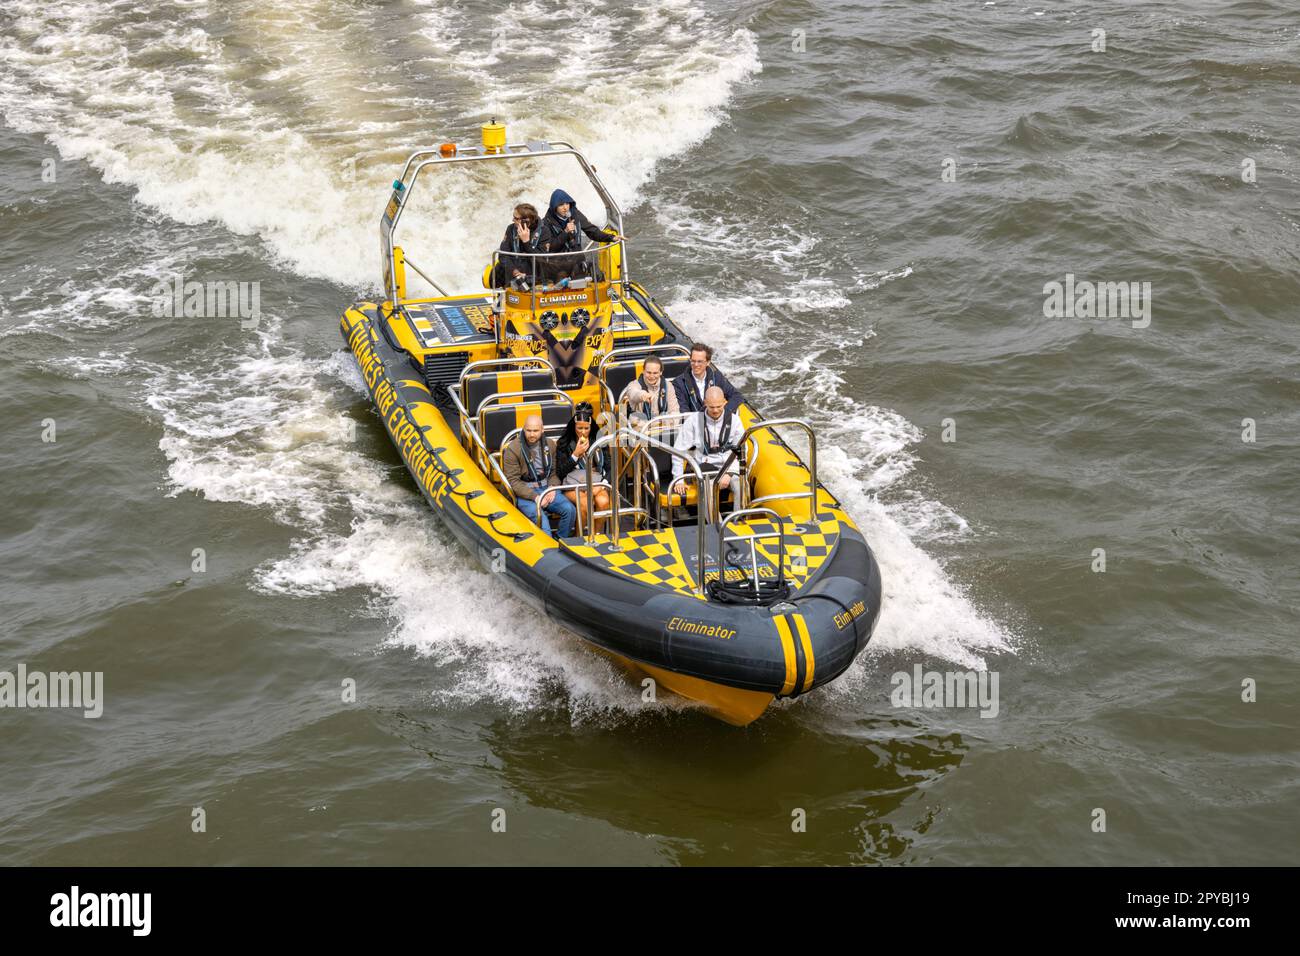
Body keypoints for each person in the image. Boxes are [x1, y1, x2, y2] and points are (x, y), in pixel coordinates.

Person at [672, 385, 744, 516]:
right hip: (704, 466)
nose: (715, 410)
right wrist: (679, 480)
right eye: (711, 407)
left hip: (729, 465)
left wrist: (729, 473)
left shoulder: (735, 421)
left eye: (719, 406)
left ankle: (739, 521)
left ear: (724, 402)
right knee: (708, 487)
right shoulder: (693, 421)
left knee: (741, 485)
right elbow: (678, 451)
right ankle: (715, 526)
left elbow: (741, 451)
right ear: (705, 403)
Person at [501, 414, 576, 536]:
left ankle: (561, 542)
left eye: (535, 431)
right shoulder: (513, 449)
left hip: (547, 488)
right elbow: (513, 481)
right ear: (523, 429)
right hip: (525, 492)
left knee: (570, 510)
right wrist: (535, 497)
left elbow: (554, 472)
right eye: (528, 430)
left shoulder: (550, 444)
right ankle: (548, 549)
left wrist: (552, 487)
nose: (531, 434)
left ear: (542, 430)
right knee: (543, 524)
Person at [619, 354, 680, 485]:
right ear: (643, 371)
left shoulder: (668, 386)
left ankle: (676, 477)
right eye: (649, 372)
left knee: (679, 436)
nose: (652, 376)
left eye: (655, 373)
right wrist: (643, 395)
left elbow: (675, 411)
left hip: (664, 429)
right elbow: (634, 394)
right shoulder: (634, 385)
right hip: (643, 431)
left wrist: (668, 425)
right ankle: (646, 478)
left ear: (661, 372)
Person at [537, 188, 621, 282]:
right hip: (558, 265)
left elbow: (591, 231)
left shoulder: (575, 214)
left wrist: (612, 237)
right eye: (561, 205)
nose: (565, 207)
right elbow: (550, 248)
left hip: (577, 261)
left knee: (595, 278)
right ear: (554, 207)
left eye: (567, 203)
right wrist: (565, 232)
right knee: (562, 282)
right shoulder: (545, 223)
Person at [555, 402, 611, 534]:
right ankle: (579, 537)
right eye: (579, 428)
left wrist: (602, 484)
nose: (583, 432)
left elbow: (610, 468)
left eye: (586, 428)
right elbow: (560, 472)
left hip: (596, 481)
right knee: (585, 503)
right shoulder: (564, 443)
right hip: (572, 483)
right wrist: (575, 455)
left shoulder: (600, 440)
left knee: (603, 501)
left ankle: (595, 535)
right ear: (574, 426)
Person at [672, 342, 741, 414]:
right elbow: (683, 409)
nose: (696, 365)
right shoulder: (679, 383)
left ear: (708, 362)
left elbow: (737, 396)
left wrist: (724, 412)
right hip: (694, 422)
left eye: (700, 361)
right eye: (693, 361)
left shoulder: (717, 377)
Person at [493, 203, 540, 289]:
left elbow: (541, 261)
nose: (513, 220)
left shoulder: (544, 232)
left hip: (534, 278)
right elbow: (503, 255)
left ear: (527, 221)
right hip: (512, 275)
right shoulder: (511, 229)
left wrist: (526, 242)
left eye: (516, 218)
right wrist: (514, 271)